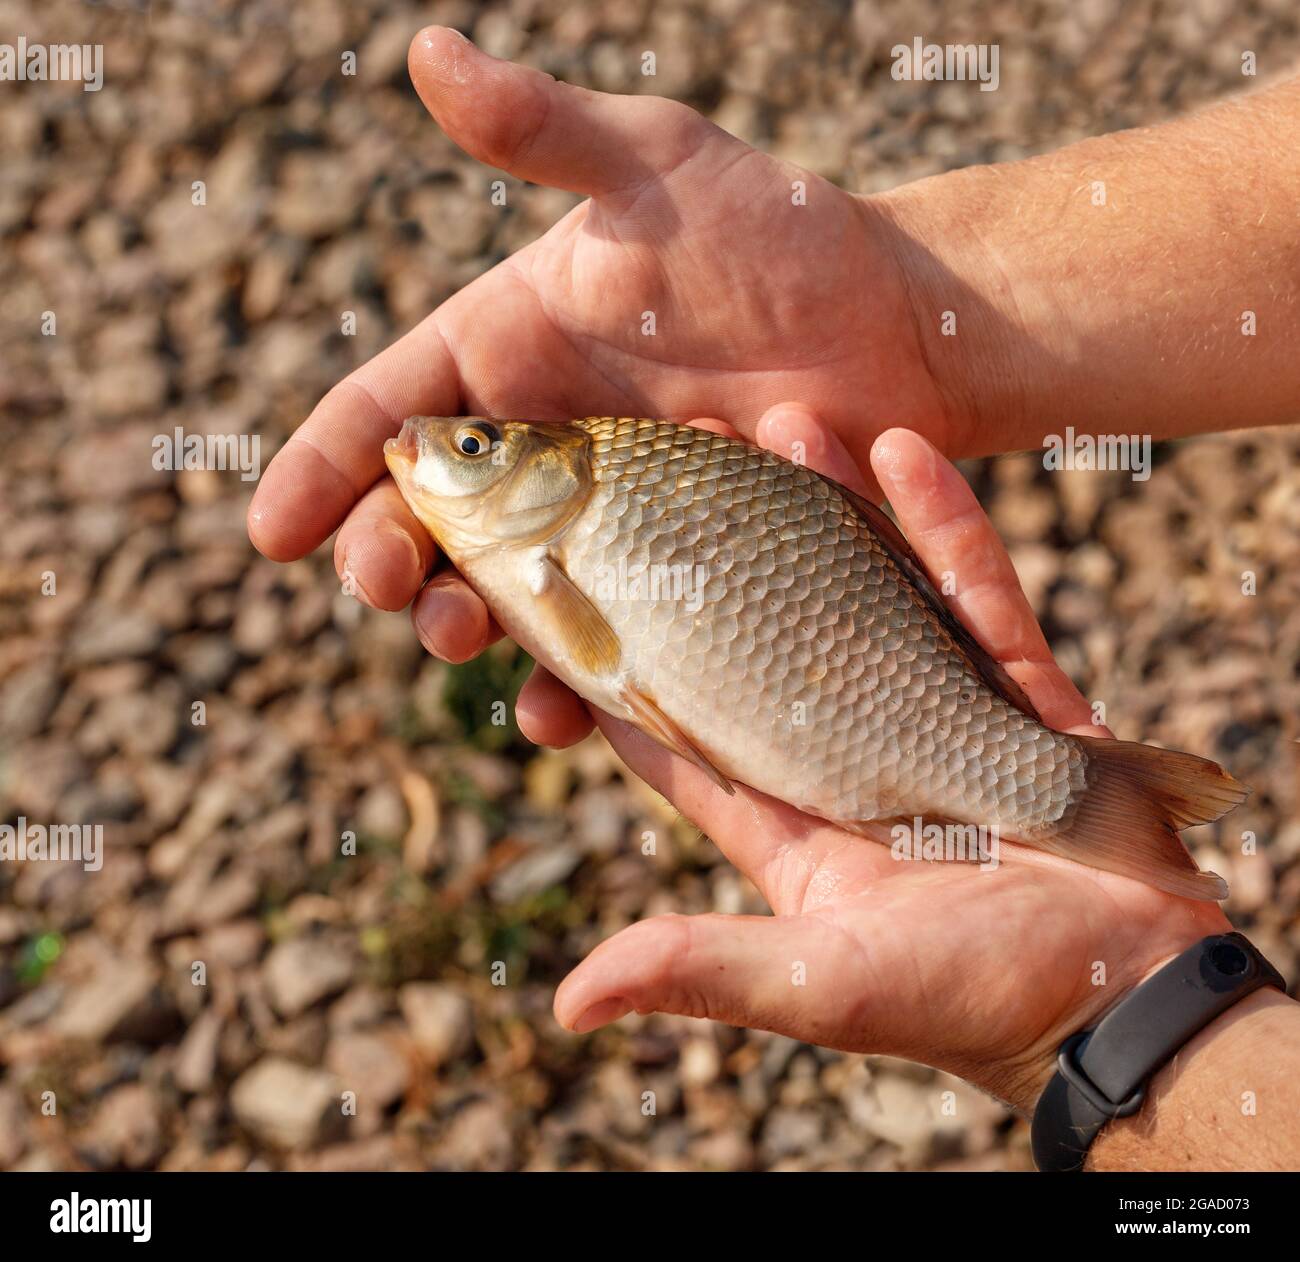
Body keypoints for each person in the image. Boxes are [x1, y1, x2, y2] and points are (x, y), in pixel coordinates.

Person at [247, 28, 1300, 1170]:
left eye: (475, 443)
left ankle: (1071, 797)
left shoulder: (565, 519)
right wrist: (907, 296)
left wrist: (1107, 1019)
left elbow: (599, 652)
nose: (436, 447)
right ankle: (1082, 805)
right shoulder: (554, 524)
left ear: (547, 468)